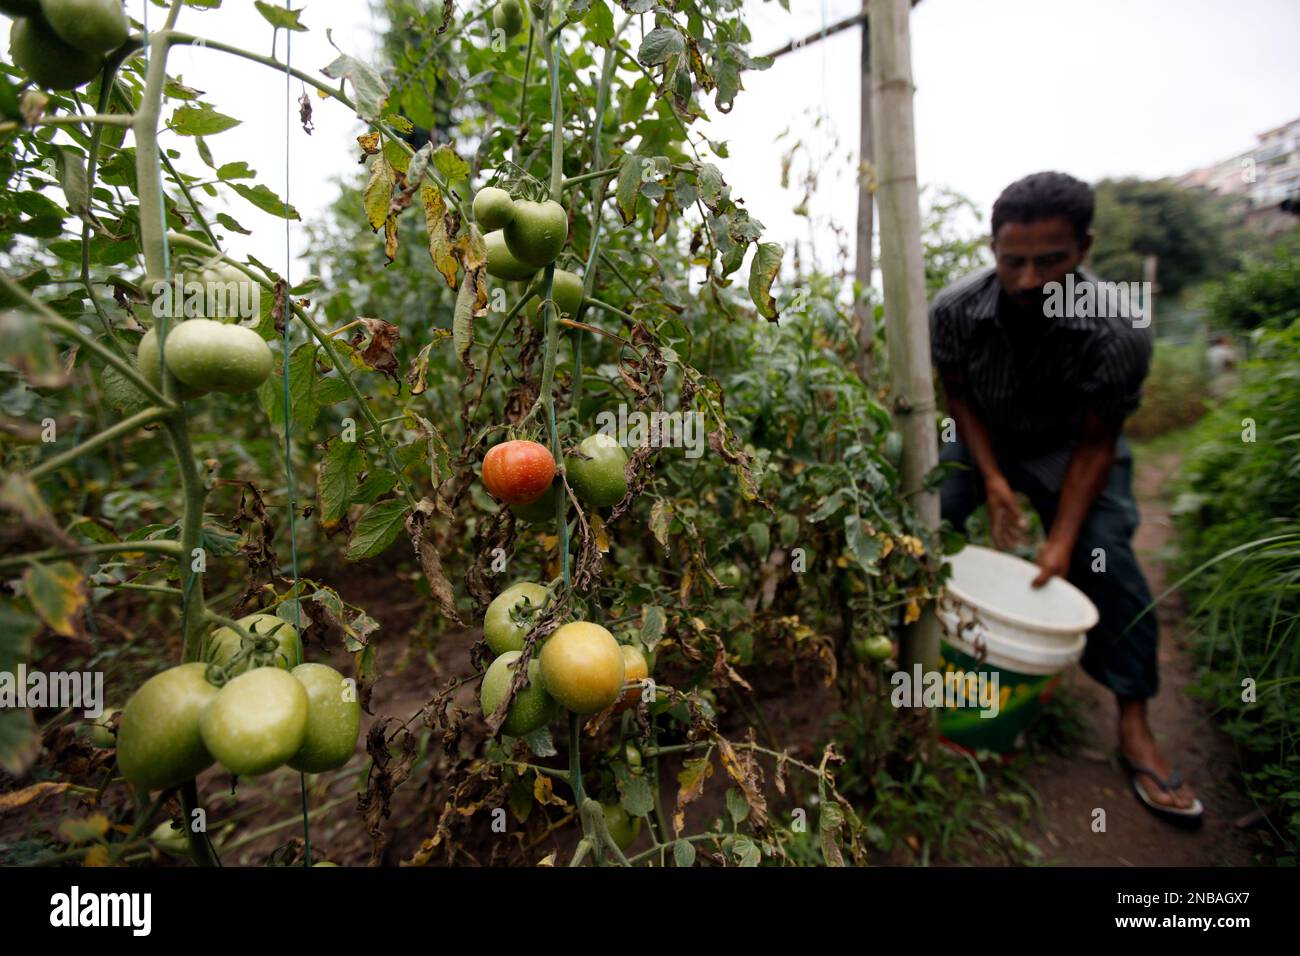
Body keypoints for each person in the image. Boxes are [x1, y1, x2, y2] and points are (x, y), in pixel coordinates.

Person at [929, 171, 1202, 823]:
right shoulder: (954, 310)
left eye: (1049, 261)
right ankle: (921, 674)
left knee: (1106, 556)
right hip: (983, 437)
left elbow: (1097, 442)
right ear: (992, 250)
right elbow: (959, 398)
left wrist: (1059, 541)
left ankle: (1134, 720)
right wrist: (992, 481)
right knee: (927, 523)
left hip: (1070, 449)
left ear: (1084, 248)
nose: (1027, 280)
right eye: (1011, 260)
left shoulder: (1118, 327)